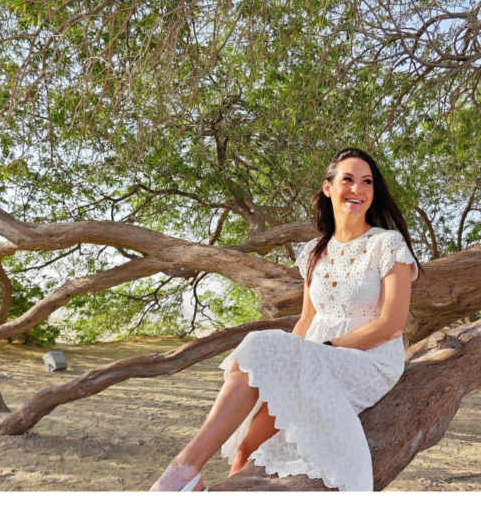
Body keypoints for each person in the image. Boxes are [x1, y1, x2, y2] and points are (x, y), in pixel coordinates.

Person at [150, 148, 423, 492]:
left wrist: (321, 349)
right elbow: (308, 316)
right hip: (312, 356)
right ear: (328, 188)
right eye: (348, 179)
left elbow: (391, 324)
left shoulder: (387, 244)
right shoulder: (314, 251)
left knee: (262, 343)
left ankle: (180, 470)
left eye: (367, 182)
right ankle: (203, 485)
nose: (358, 189)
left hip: (368, 361)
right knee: (249, 446)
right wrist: (285, 363)